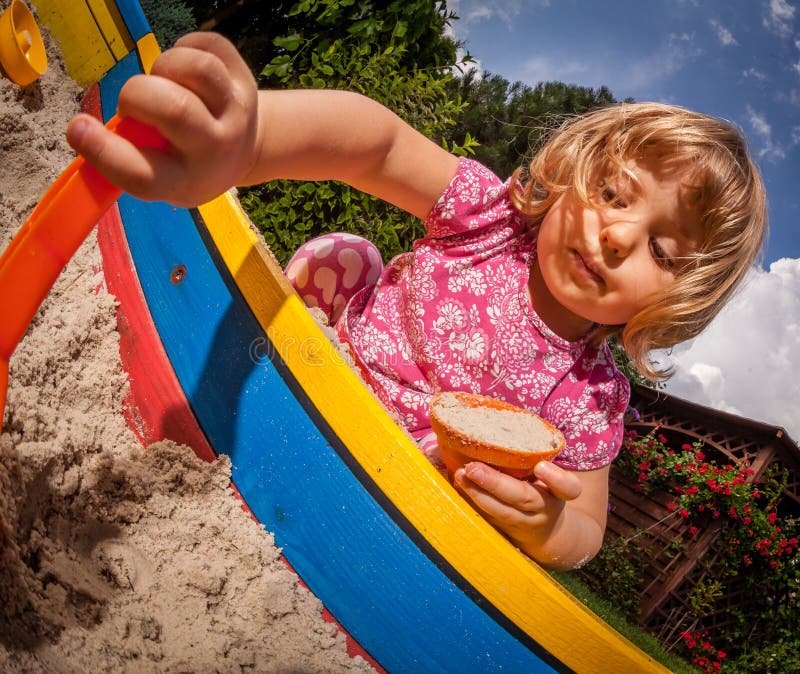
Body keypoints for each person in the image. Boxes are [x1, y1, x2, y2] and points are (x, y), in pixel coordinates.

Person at [66, 33, 767, 570]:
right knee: (345, 254)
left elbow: (587, 526)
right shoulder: (487, 220)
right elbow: (375, 146)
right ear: (571, 173)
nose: (615, 234)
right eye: (613, 194)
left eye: (662, 252)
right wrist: (254, 143)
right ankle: (267, 351)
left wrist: (550, 528)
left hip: (401, 486)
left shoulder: (591, 394)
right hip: (323, 368)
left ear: (681, 300)